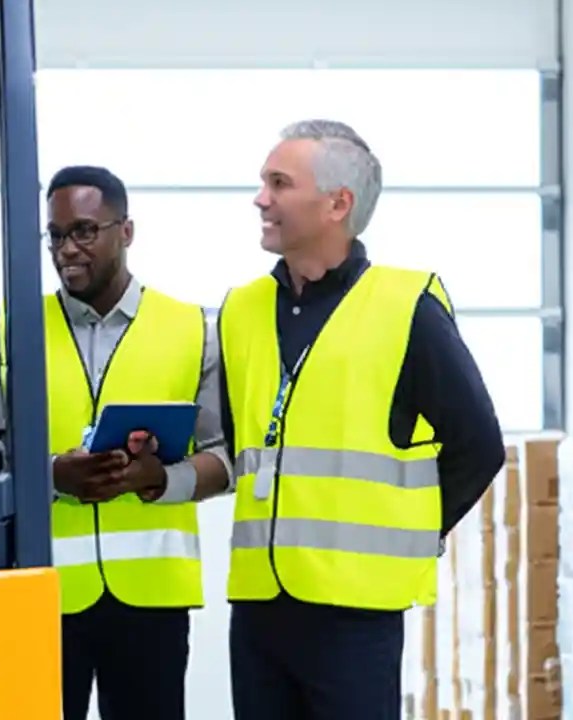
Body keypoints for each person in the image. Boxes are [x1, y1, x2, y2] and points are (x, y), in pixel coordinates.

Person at [218, 119, 507, 720]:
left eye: (279, 183)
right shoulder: (240, 310)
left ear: (337, 204)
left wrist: (413, 531)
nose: (260, 199)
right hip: (258, 605)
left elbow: (478, 445)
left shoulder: (406, 307)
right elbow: (241, 441)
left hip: (354, 616)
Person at [0, 165, 231, 720]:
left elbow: (224, 458)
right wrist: (50, 475)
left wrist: (161, 479)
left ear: (127, 231)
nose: (67, 250)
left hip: (153, 601)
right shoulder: (13, 335)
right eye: (56, 235)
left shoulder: (194, 330)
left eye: (84, 231)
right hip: (41, 593)